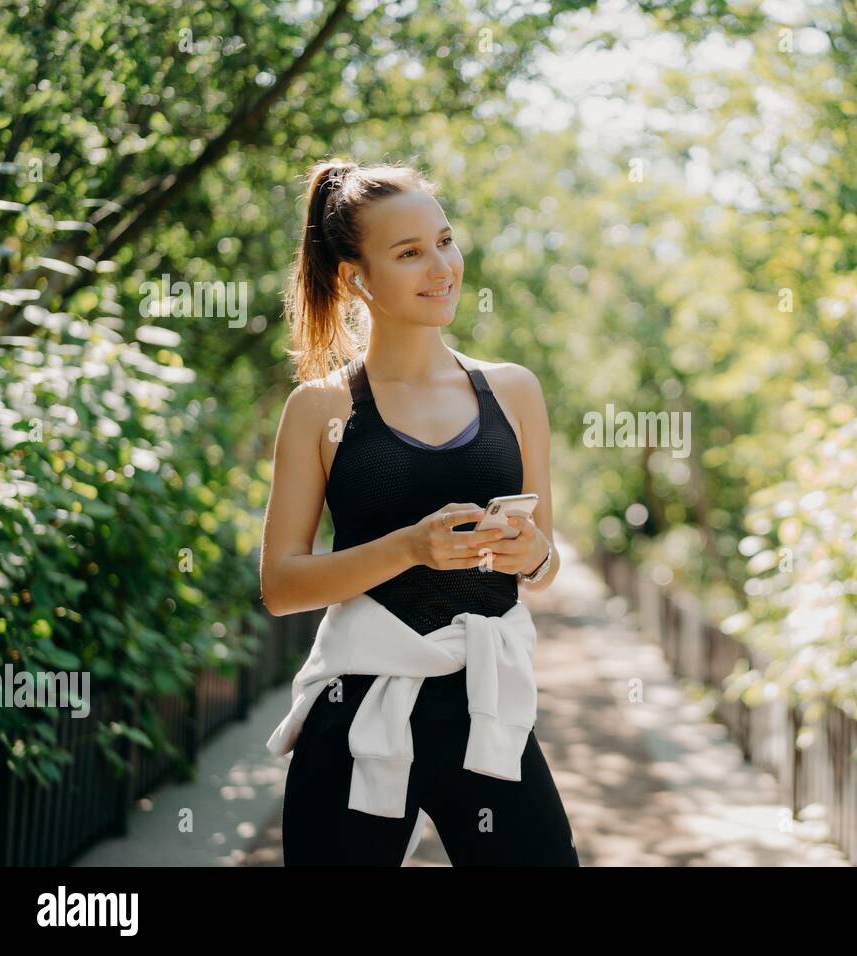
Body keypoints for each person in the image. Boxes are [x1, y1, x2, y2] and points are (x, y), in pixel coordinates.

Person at [259, 158, 578, 866]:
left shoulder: (513, 392)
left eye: (444, 240)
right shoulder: (322, 408)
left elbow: (546, 561)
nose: (440, 267)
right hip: (357, 707)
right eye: (408, 253)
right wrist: (410, 548)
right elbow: (281, 586)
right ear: (354, 277)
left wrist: (531, 554)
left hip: (486, 706)